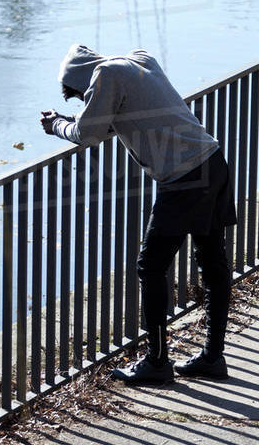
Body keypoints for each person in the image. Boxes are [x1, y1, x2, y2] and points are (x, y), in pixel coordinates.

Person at [40, 44, 236, 385]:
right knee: (212, 261)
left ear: (80, 81)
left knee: (151, 265)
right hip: (212, 162)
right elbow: (117, 119)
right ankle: (212, 357)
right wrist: (80, 119)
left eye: (81, 96)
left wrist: (58, 124)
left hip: (183, 178)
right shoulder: (140, 60)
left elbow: (87, 136)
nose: (84, 101)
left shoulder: (105, 75)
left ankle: (158, 362)